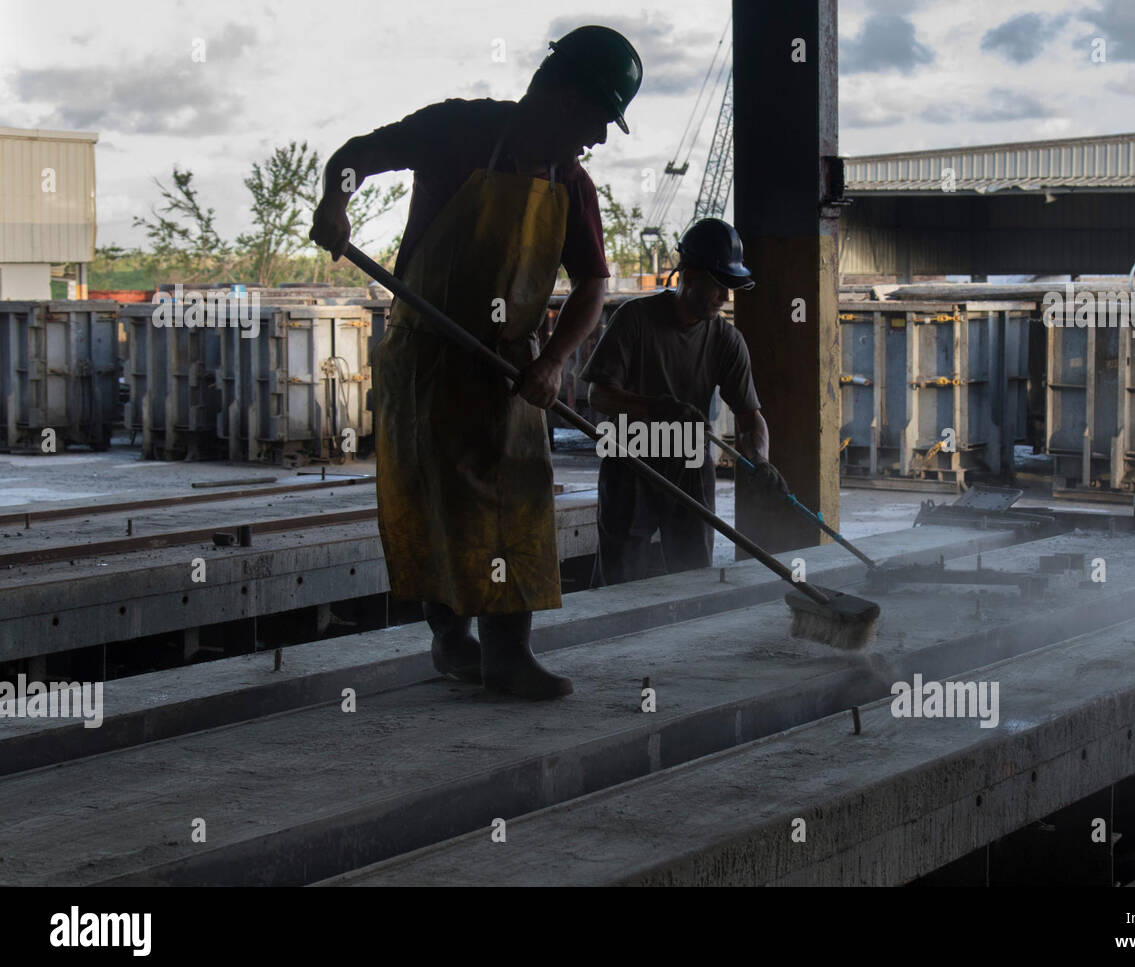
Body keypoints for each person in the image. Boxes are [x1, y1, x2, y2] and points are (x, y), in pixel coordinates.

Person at [310, 26, 643, 700]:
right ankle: (450, 639)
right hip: (427, 358)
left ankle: (508, 655)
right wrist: (334, 200)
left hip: (510, 370)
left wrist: (553, 363)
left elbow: (592, 286)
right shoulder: (455, 130)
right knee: (434, 500)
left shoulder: (571, 185)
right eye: (597, 118)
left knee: (516, 499)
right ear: (560, 93)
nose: (600, 140)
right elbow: (356, 156)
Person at [581, 217, 787, 585]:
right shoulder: (634, 319)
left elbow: (749, 417)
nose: (725, 298)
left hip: (690, 463)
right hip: (631, 460)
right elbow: (599, 395)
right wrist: (659, 409)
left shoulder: (726, 340)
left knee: (692, 576)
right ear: (688, 278)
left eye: (730, 288)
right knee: (619, 579)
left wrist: (760, 459)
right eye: (719, 287)